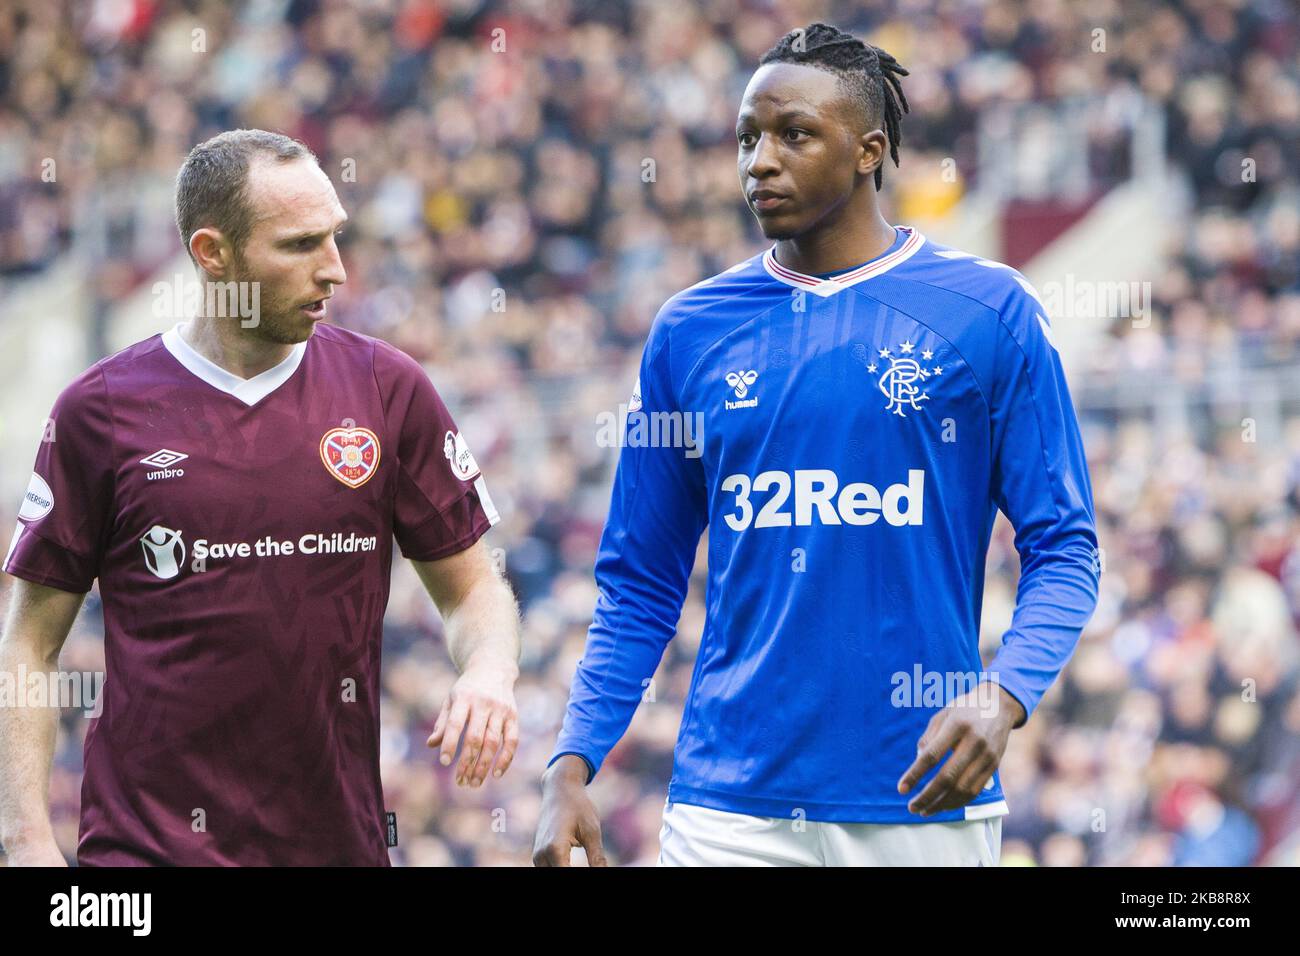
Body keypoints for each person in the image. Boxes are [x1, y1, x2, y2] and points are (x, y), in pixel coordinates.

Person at [534, 23, 1099, 867]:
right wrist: (570, 763)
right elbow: (640, 580)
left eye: (794, 135)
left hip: (923, 799)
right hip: (730, 811)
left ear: (870, 149)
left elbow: (1066, 549)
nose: (759, 160)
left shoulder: (988, 312)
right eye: (747, 138)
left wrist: (1003, 696)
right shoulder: (688, 332)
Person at [0, 129, 521, 866]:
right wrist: (24, 841)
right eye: (301, 245)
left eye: (335, 238)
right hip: (141, 856)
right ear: (214, 254)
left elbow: (474, 593)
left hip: (335, 846)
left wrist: (489, 671)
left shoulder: (386, 390)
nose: (335, 270)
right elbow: (27, 641)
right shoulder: (101, 411)